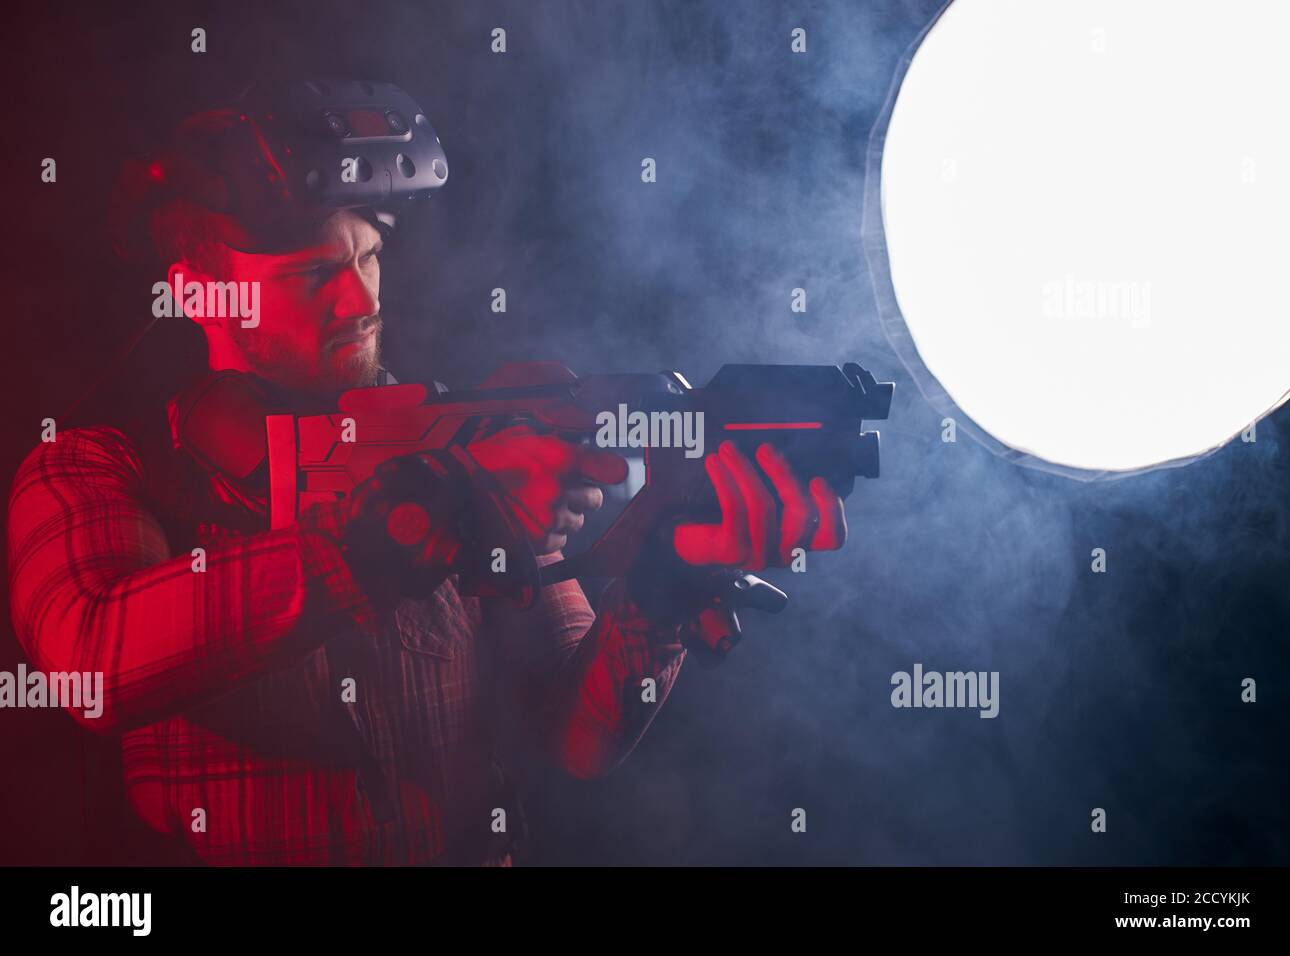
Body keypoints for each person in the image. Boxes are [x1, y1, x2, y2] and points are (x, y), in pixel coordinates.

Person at [6, 85, 849, 866]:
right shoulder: (98, 467)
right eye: (310, 276)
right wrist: (412, 523)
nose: (360, 299)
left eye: (368, 256)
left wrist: (660, 598)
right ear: (198, 296)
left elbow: (575, 742)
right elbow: (94, 662)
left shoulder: (459, 440)